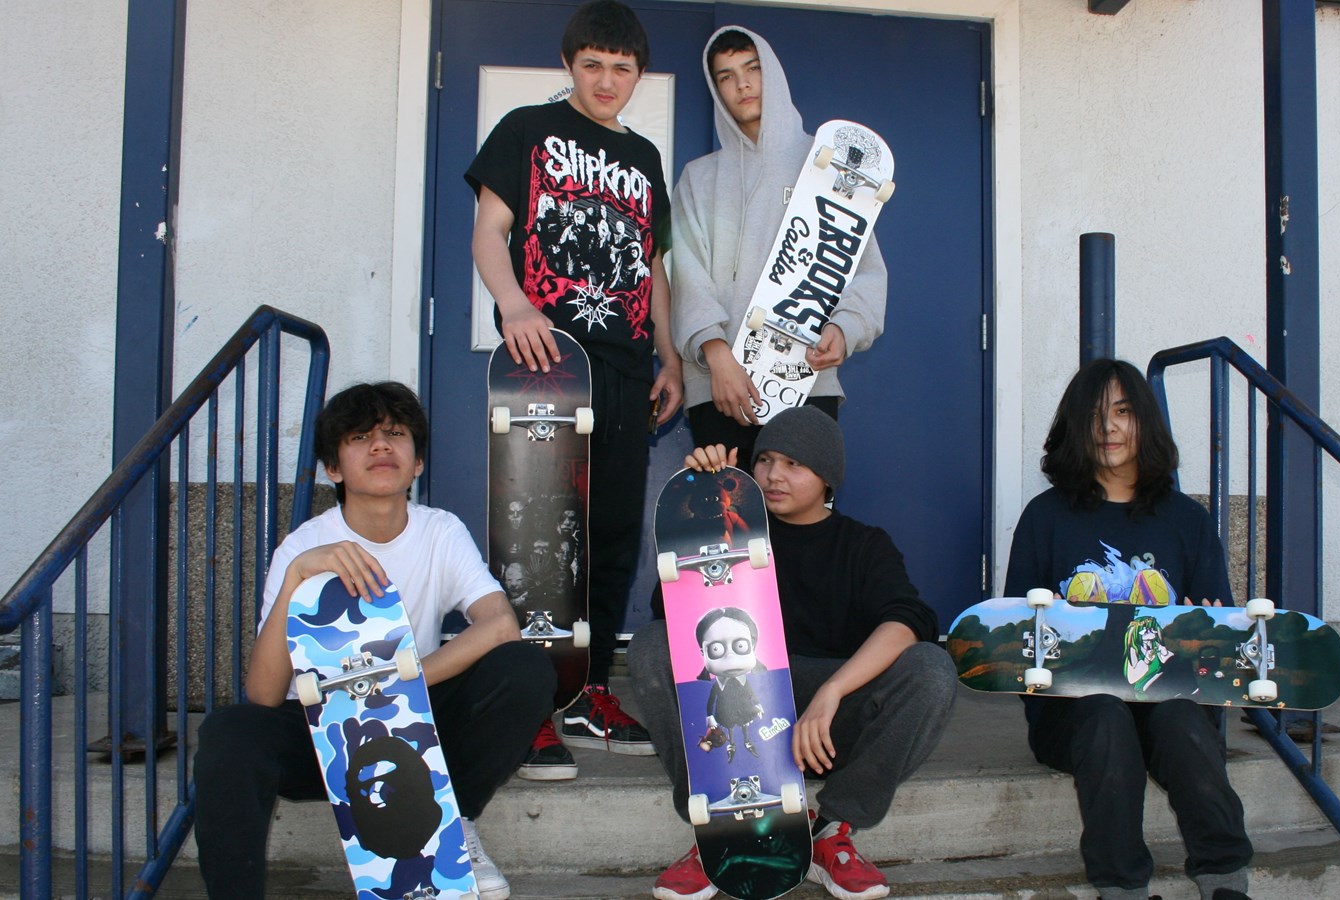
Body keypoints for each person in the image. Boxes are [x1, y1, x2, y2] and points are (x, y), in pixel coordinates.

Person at [192, 382, 549, 900]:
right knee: (230, 732)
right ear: (333, 469)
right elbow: (264, 695)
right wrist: (297, 576)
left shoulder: (438, 531)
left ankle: (454, 823)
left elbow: (500, 625)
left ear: (417, 462)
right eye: (361, 437)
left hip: (410, 724)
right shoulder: (304, 545)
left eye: (395, 434)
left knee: (522, 667)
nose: (381, 446)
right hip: (323, 732)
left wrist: (396, 680)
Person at [466, 0, 682, 777]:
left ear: (638, 76)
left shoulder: (646, 157)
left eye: (622, 68)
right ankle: (529, 702)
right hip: (546, 358)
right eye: (593, 65)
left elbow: (651, 269)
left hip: (625, 369)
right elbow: (490, 230)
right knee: (538, 535)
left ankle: (589, 689)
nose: (607, 81)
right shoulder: (526, 129)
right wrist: (515, 303)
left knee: (616, 533)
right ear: (570, 66)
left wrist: (670, 356)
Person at [631, 406, 956, 900]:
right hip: (737, 706)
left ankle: (831, 827)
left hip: (822, 723)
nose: (773, 475)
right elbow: (673, 611)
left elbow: (909, 620)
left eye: (794, 464)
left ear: (828, 479)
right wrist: (704, 511)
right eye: (765, 460)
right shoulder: (734, 534)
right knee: (652, 643)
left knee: (932, 669)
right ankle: (720, 822)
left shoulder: (863, 544)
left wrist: (832, 692)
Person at [1004, 359, 1254, 900]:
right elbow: (1015, 640)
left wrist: (1202, 631)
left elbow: (1222, 653)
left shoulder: (1186, 520)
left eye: (1122, 412)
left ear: (1145, 421)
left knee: (1183, 720)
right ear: (1075, 426)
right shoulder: (1045, 518)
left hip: (1168, 704)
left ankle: (1226, 880)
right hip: (1075, 717)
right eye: (1093, 415)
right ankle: (1121, 889)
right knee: (1102, 711)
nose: (1108, 428)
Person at [670, 27, 887, 465]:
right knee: (728, 526)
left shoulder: (828, 165)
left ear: (773, 73)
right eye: (726, 76)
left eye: (752, 69)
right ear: (716, 88)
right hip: (717, 384)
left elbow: (866, 269)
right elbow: (685, 273)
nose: (743, 84)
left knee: (804, 524)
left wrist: (844, 329)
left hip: (805, 377)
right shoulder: (699, 177)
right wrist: (717, 356)